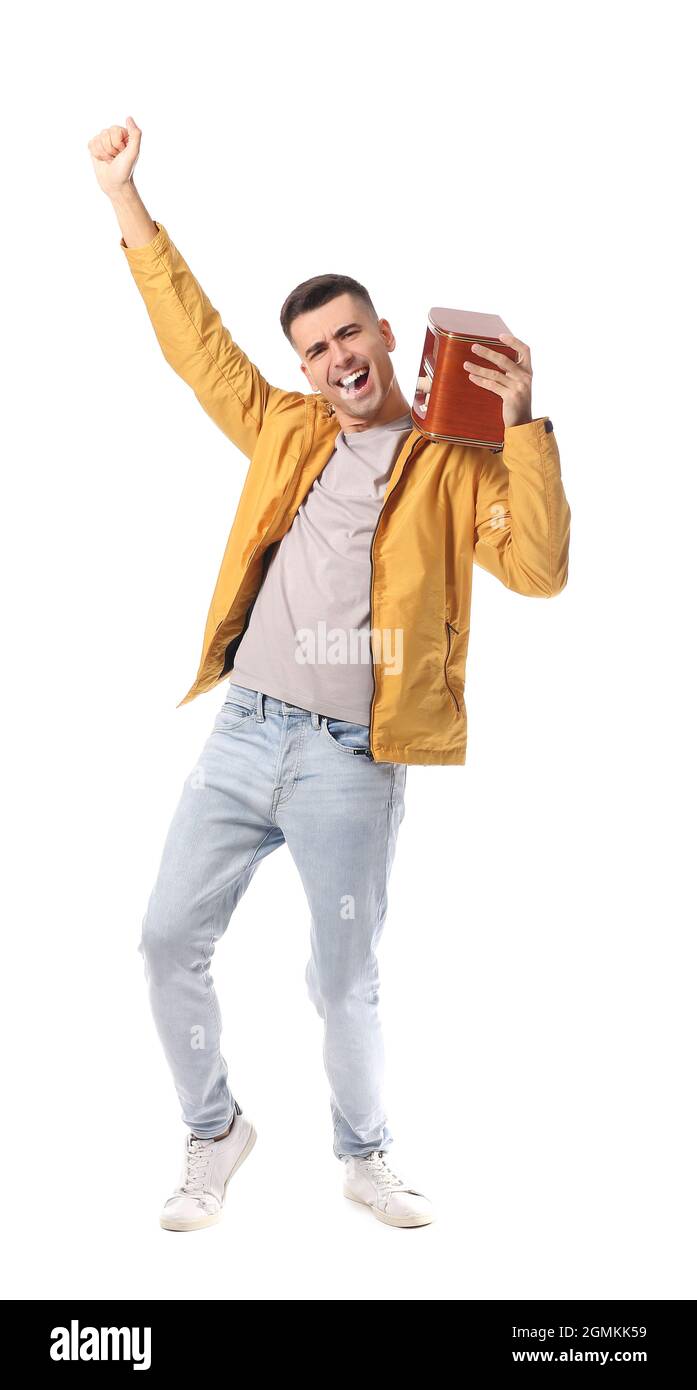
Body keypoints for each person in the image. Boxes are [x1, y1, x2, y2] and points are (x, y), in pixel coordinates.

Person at [88, 118, 571, 1233]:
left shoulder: (459, 466)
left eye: (347, 334)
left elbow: (540, 569)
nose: (334, 359)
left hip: (353, 761)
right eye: (313, 349)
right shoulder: (285, 429)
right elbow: (195, 342)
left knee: (342, 976)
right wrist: (125, 200)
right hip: (244, 737)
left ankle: (367, 1156)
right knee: (165, 937)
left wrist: (522, 422)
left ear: (387, 335)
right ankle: (214, 1132)